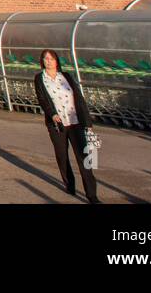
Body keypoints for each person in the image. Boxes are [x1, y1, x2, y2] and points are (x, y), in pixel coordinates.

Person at [33, 49, 99, 203]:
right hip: (57, 124)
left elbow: (79, 99)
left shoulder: (66, 76)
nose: (48, 61)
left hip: (75, 122)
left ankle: (91, 195)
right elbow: (42, 99)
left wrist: (87, 122)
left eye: (51, 58)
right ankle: (69, 184)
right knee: (62, 156)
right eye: (45, 59)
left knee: (84, 158)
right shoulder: (39, 79)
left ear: (57, 61)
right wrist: (52, 114)